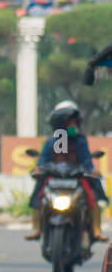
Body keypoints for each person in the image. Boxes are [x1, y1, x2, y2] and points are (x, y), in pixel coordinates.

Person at [27, 100, 107, 242]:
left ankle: (96, 230)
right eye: (70, 123)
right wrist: (38, 168)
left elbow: (86, 160)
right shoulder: (52, 142)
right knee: (38, 195)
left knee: (92, 196)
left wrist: (92, 171)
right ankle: (37, 228)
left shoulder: (80, 141)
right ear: (60, 124)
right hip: (54, 177)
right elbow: (43, 161)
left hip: (77, 178)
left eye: (75, 122)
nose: (73, 126)